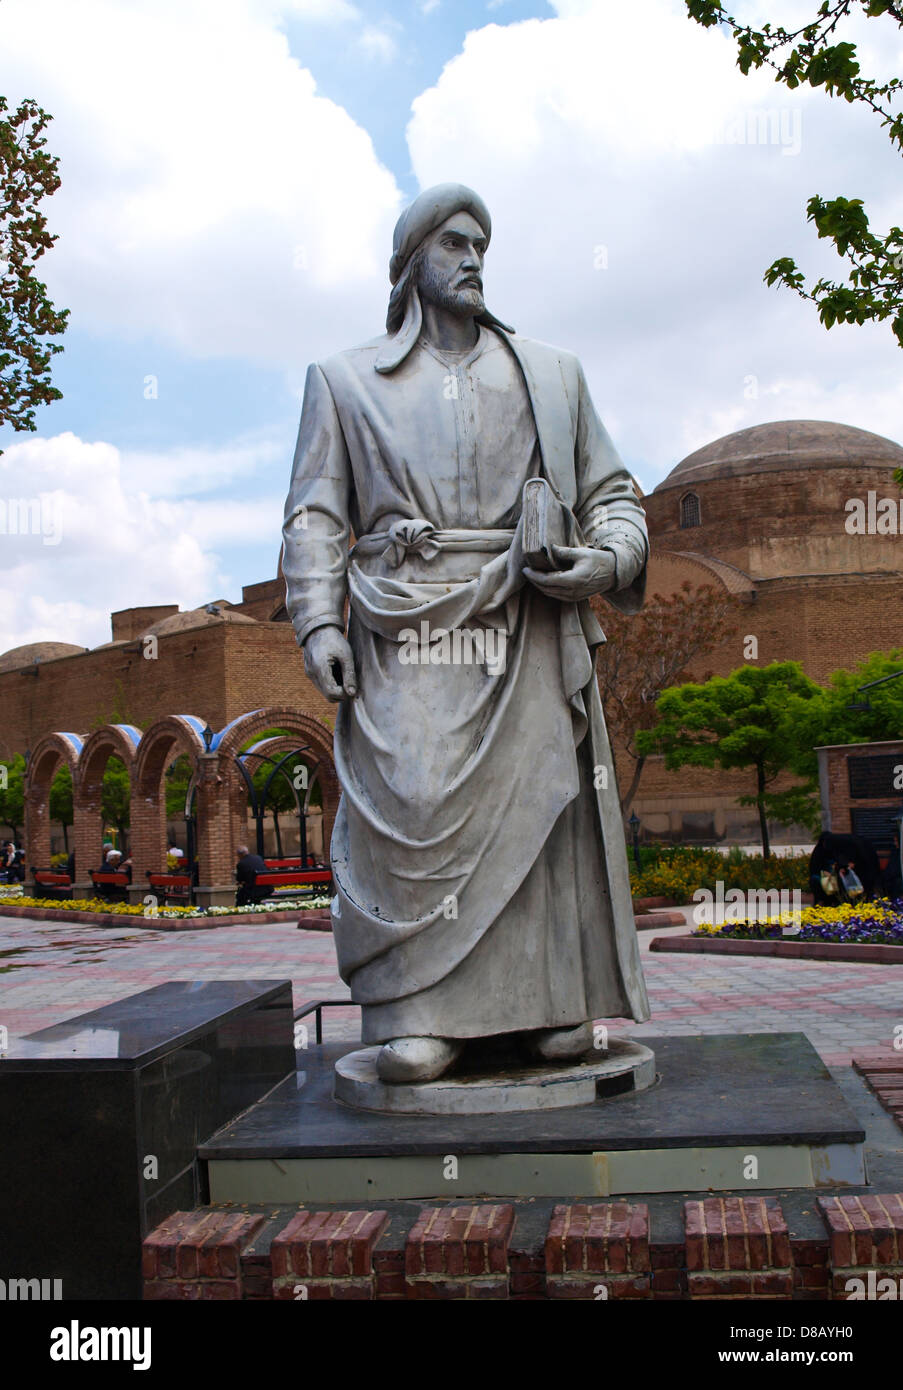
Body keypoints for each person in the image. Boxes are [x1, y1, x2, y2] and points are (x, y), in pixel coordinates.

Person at [282, 183, 650, 1084]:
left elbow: (614, 497)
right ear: (412, 263)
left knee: (537, 805)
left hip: (525, 612)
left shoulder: (552, 374)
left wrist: (604, 561)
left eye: (481, 243)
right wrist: (318, 620)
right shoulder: (343, 380)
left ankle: (548, 1006)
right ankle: (418, 1010)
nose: (474, 258)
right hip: (403, 631)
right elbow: (315, 518)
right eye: (453, 242)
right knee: (413, 802)